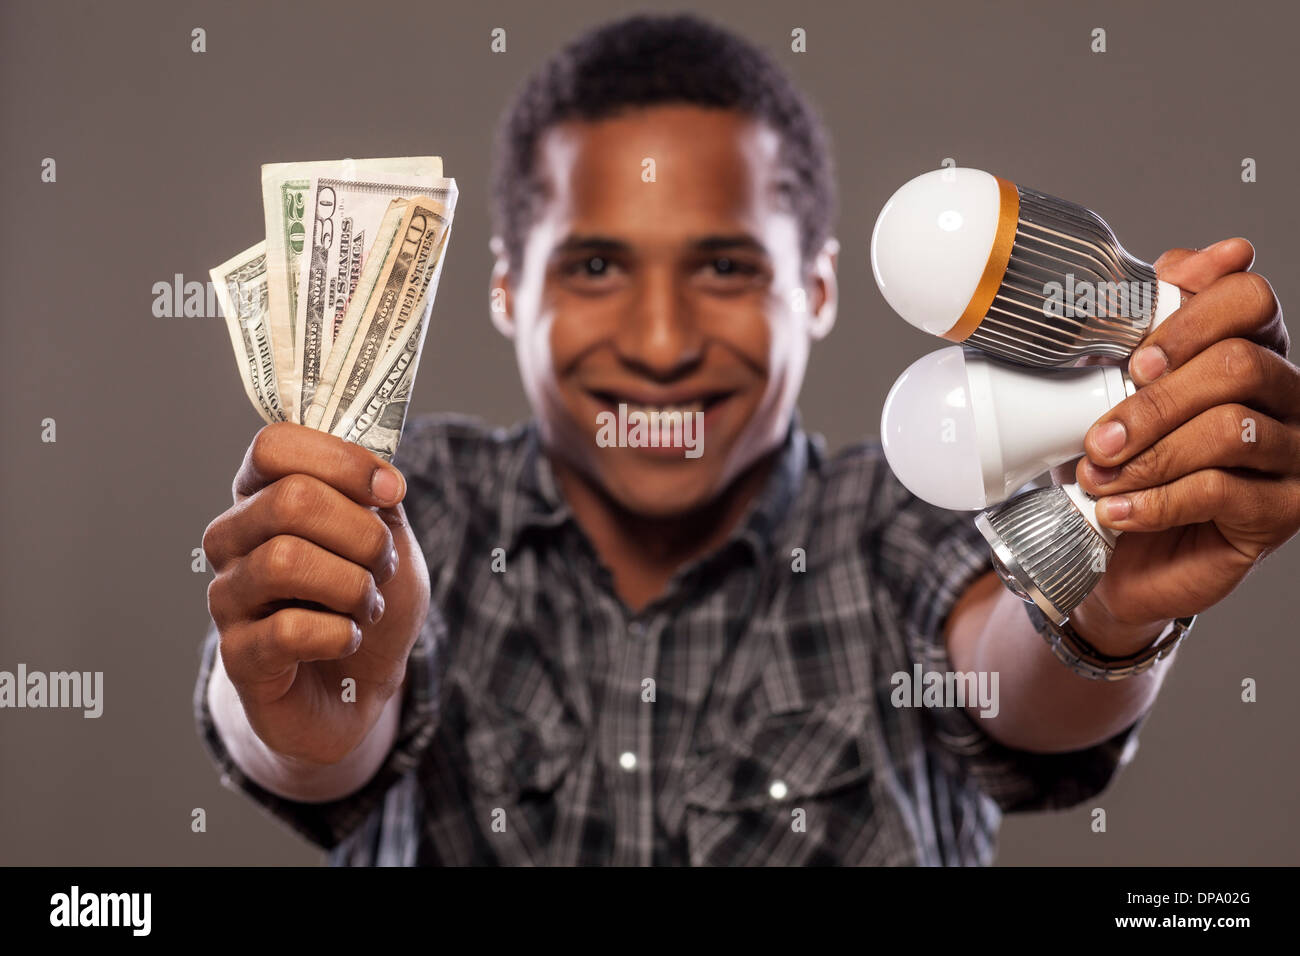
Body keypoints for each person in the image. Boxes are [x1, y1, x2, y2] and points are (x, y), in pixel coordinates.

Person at [194, 14, 1297, 865]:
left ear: (817, 289)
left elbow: (1016, 686)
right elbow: (314, 741)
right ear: (502, 290)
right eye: (593, 266)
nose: (662, 342)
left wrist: (1101, 590)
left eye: (726, 266)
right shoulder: (410, 499)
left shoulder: (903, 516)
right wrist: (309, 708)